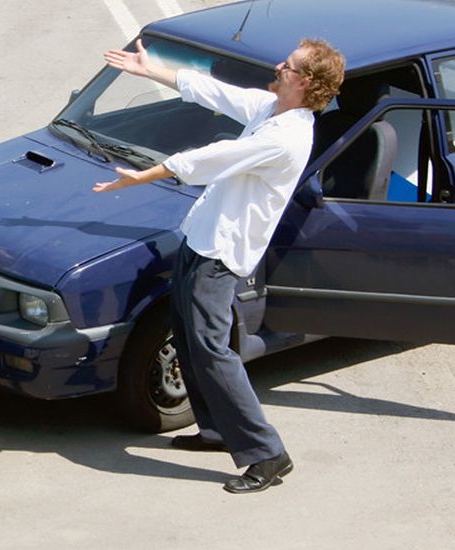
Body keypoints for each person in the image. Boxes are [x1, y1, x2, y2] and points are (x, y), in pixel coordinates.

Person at [94, 38, 345, 493]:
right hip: (202, 237)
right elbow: (212, 90)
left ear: (304, 82)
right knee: (189, 339)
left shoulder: (285, 137)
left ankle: (268, 454)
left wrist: (145, 175)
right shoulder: (271, 108)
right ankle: (214, 430)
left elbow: (214, 158)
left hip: (222, 254)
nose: (277, 65)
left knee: (211, 349)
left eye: (286, 65)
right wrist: (150, 71)